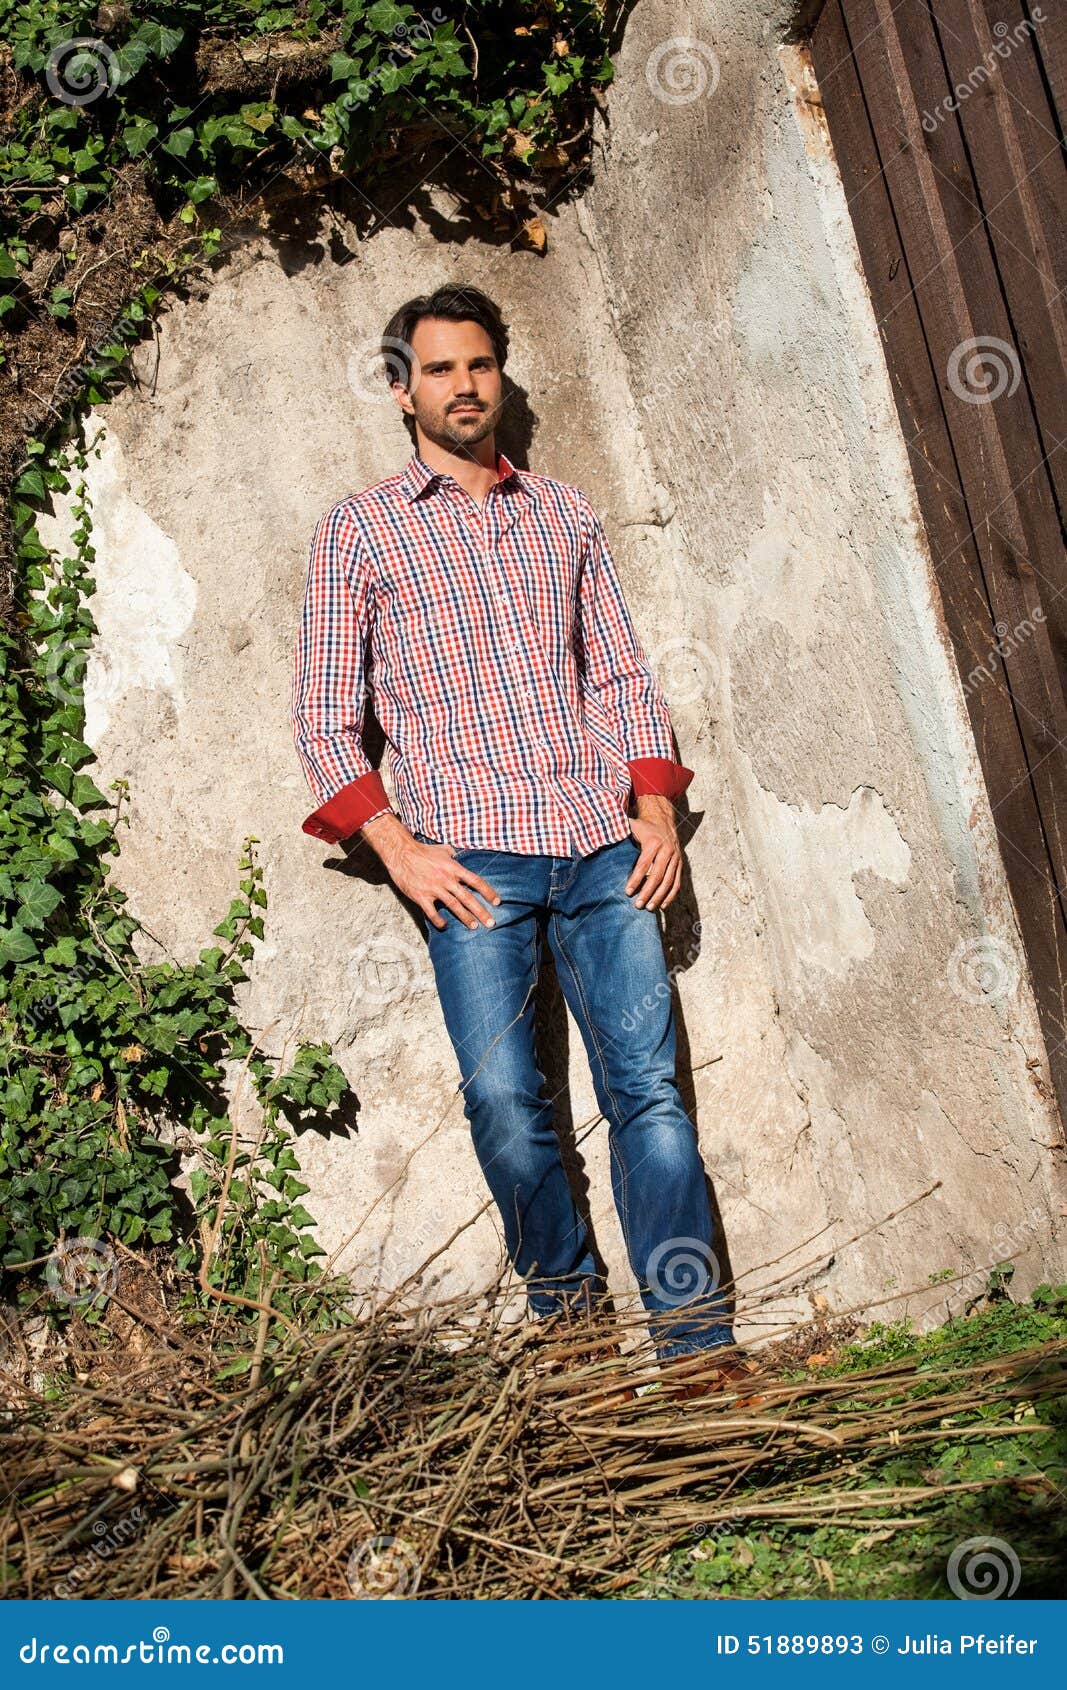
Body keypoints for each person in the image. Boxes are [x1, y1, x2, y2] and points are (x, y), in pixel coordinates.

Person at [292, 284, 754, 1397]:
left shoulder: (564, 515)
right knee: (506, 1102)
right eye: (440, 369)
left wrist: (651, 808)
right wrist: (398, 850)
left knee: (646, 1091)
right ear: (400, 389)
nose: (464, 387)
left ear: (501, 377)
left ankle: (697, 1351)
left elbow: (621, 676)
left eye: (480, 366)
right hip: (471, 865)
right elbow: (321, 714)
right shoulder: (359, 530)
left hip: (600, 844)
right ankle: (577, 1345)